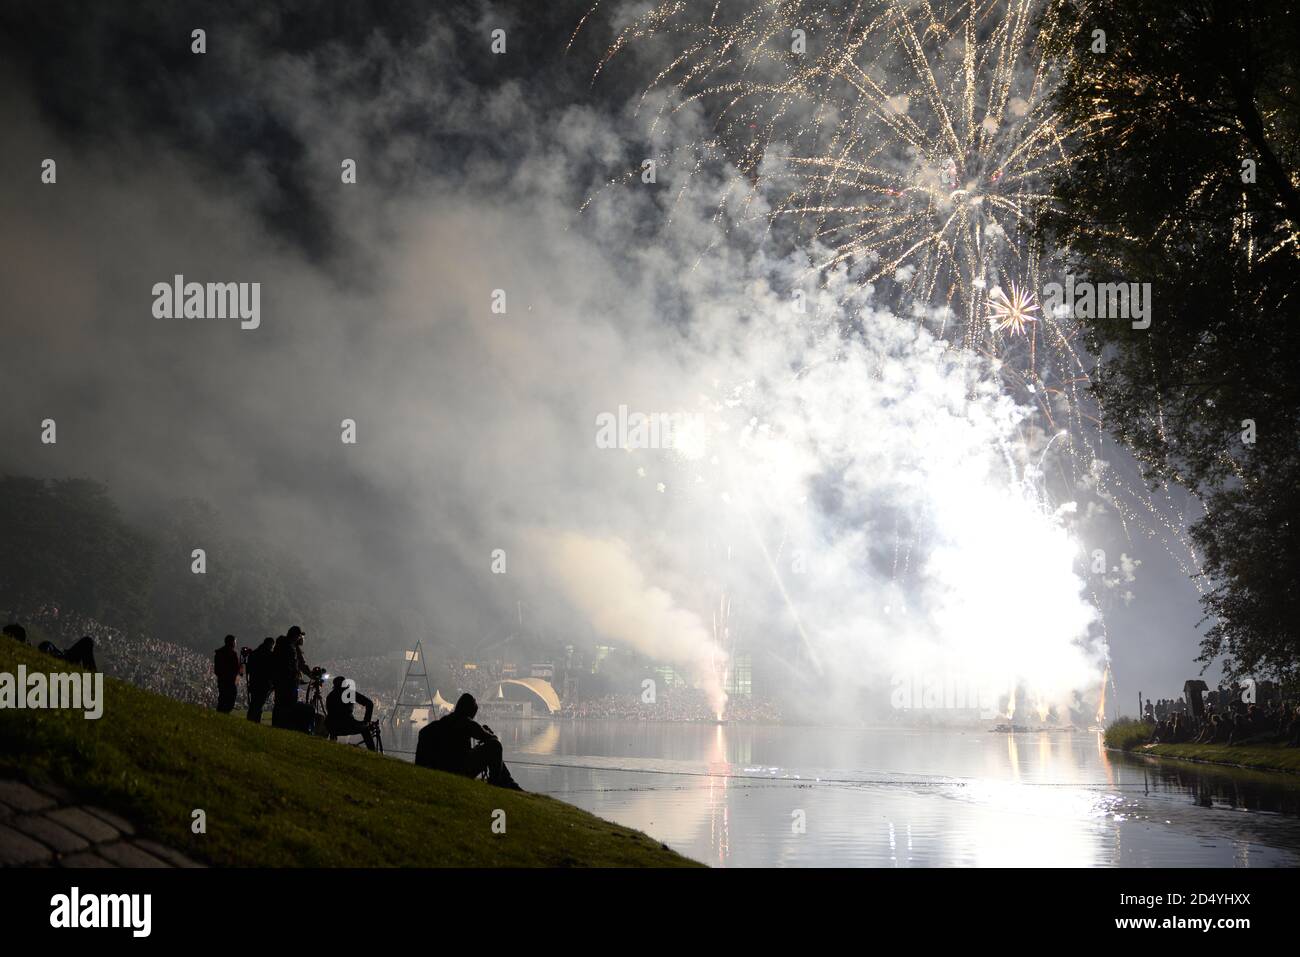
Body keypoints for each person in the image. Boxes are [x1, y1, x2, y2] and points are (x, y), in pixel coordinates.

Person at [415, 693, 522, 790]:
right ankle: (498, 782)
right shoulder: (466, 723)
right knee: (495, 747)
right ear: (470, 712)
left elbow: (424, 733)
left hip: (443, 766)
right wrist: (488, 732)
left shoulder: (441, 723)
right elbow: (492, 740)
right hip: (459, 769)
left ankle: (508, 781)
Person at [270, 627, 313, 731]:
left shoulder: (280, 645)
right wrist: (311, 675)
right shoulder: (292, 647)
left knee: (279, 703)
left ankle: (276, 724)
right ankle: (285, 726)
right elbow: (301, 665)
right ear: (296, 636)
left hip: (279, 680)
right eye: (299, 636)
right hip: (289, 681)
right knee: (289, 704)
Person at [325, 676, 377, 751]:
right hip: (347, 724)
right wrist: (367, 721)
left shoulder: (330, 695)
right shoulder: (349, 693)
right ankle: (373, 752)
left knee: (333, 727)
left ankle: (332, 745)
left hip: (331, 725)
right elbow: (369, 703)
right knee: (365, 729)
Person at [245, 637, 276, 723]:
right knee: (259, 704)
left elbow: (249, 668)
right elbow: (272, 670)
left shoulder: (254, 653)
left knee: (254, 702)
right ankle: (255, 720)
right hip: (264, 683)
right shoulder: (270, 655)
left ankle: (251, 719)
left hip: (254, 681)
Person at [213, 634, 242, 713]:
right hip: (230, 680)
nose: (236, 644)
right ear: (232, 642)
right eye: (235, 642)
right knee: (230, 697)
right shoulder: (233, 654)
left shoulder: (219, 652)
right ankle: (225, 712)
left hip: (222, 679)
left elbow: (217, 669)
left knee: (222, 697)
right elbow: (238, 669)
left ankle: (220, 713)